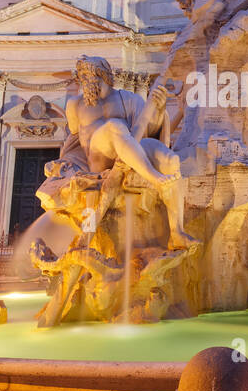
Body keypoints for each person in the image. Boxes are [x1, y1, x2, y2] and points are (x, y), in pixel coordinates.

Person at [63, 56, 195, 250]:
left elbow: (149, 130)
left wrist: (159, 110)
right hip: (99, 159)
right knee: (114, 126)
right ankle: (156, 178)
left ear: (103, 75)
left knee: (171, 160)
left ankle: (177, 232)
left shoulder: (130, 99)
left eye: (88, 75)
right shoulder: (74, 105)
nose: (84, 81)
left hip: (132, 150)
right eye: (82, 77)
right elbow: (73, 139)